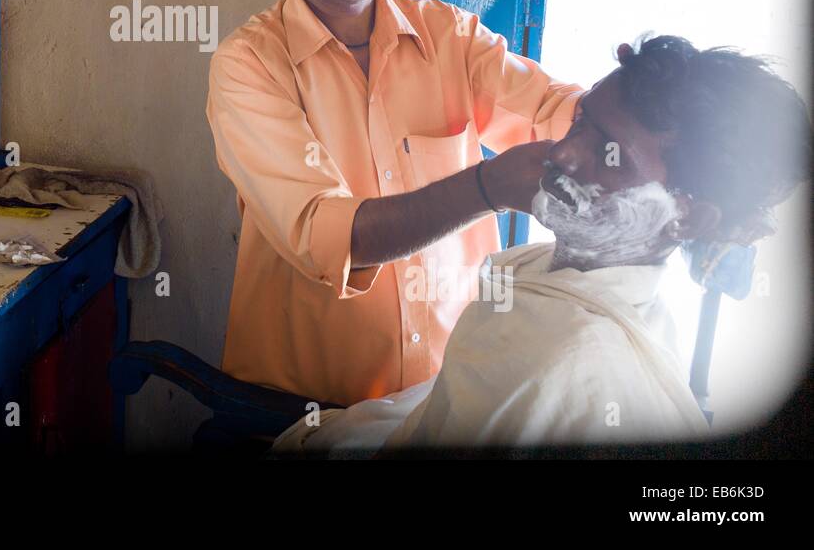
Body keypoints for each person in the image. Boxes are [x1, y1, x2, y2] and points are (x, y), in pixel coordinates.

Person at [272, 35, 812, 452]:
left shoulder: (577, 368)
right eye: (579, 123)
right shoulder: (539, 274)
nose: (564, 154)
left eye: (610, 154)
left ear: (688, 217)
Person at [206, 0, 582, 407]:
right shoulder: (249, 65)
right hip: (306, 407)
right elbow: (324, 234)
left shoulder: (450, 37)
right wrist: (486, 186)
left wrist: (634, 112)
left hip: (448, 391)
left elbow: (554, 114)